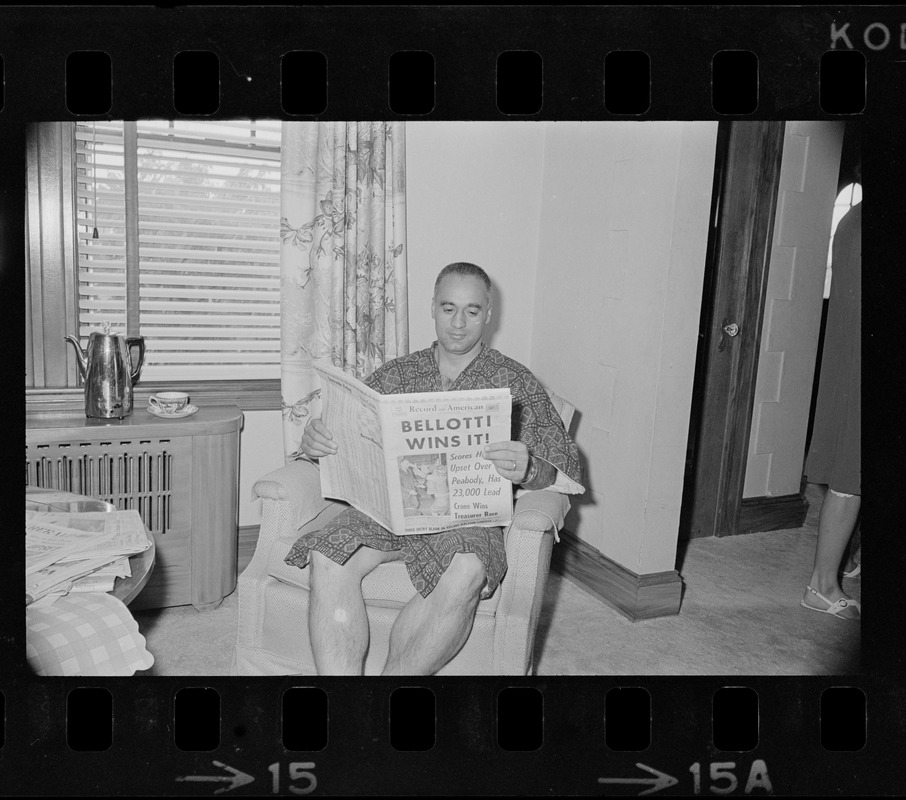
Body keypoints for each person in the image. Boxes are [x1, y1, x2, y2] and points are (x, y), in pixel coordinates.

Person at [285, 262, 584, 675]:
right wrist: (317, 443)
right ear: (432, 307)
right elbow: (341, 438)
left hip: (467, 521)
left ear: (488, 313)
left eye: (472, 311)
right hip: (388, 514)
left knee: (468, 569)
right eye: (448, 308)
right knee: (327, 554)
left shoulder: (516, 382)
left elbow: (560, 470)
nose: (459, 323)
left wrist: (529, 468)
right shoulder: (396, 375)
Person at [800, 196, 861, 620]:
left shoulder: (855, 218)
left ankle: (846, 559)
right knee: (851, 472)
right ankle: (821, 586)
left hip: (849, 360)